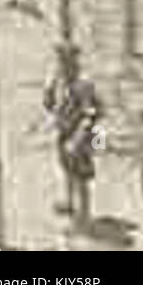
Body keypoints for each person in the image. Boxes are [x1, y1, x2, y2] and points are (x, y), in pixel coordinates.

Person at [43, 42, 101, 230]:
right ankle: (69, 202)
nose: (62, 64)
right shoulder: (59, 79)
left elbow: (91, 113)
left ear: (75, 61)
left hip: (83, 133)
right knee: (66, 167)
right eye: (60, 60)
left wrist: (80, 137)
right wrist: (49, 90)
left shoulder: (84, 83)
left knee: (81, 175)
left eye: (66, 60)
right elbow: (50, 102)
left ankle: (84, 215)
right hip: (65, 131)